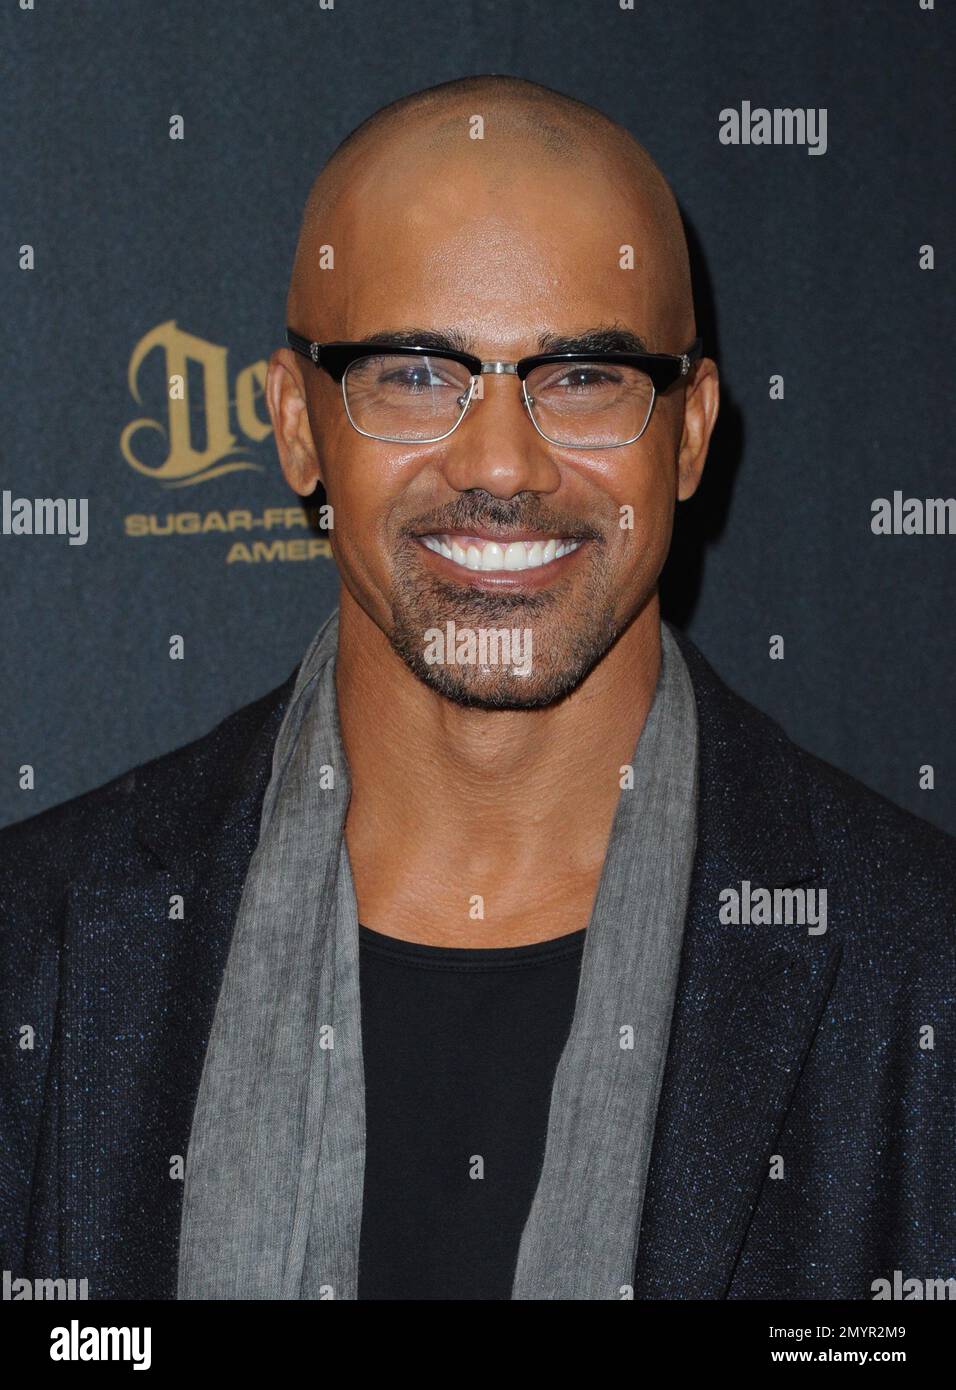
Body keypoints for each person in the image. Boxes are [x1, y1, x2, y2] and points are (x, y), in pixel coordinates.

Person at [2, 75, 953, 1302]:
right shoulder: (40, 951)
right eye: (412, 374)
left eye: (580, 378)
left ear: (691, 432)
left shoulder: (916, 968)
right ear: (295, 425)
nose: (500, 462)